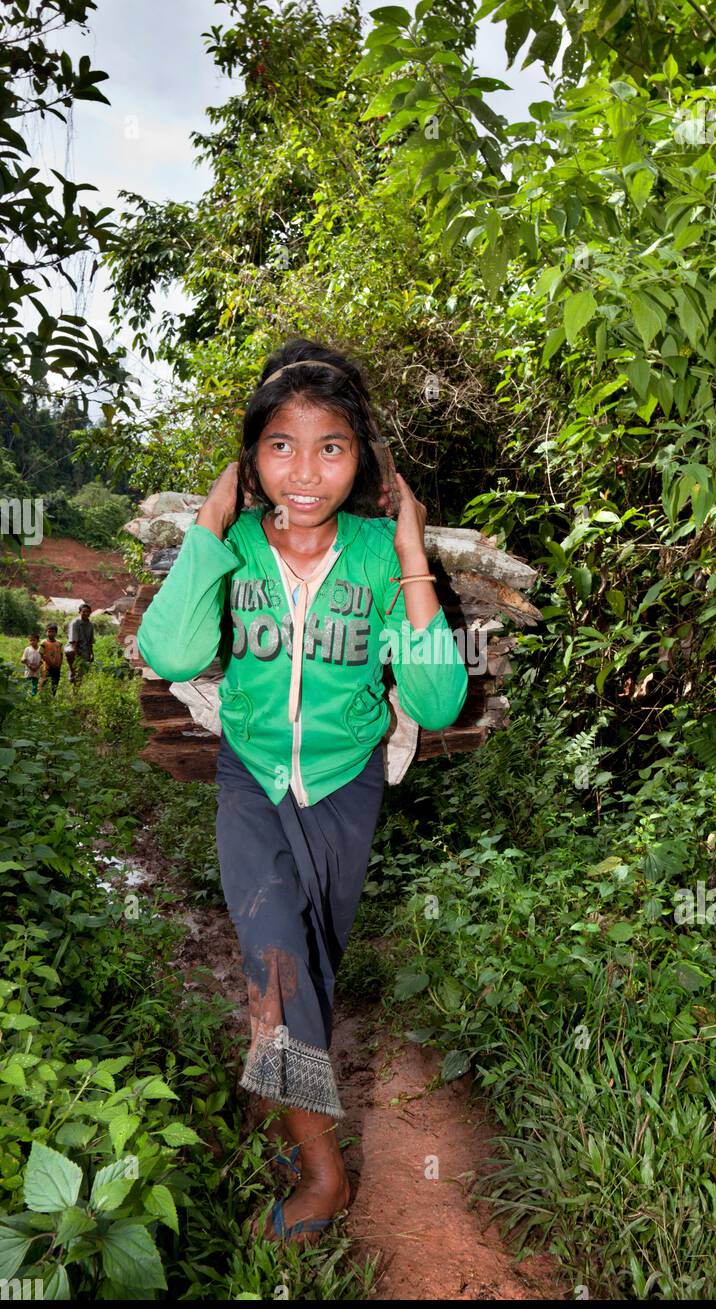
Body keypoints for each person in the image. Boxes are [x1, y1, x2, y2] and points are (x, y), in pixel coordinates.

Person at [136, 340, 469, 1248]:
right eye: (280, 445)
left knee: (312, 958)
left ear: (361, 459)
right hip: (250, 775)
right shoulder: (236, 547)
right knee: (277, 960)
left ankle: (290, 1109)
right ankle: (327, 1172)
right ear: (251, 457)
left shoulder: (373, 555)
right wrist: (212, 514)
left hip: (344, 783)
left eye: (331, 446)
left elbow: (440, 698)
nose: (305, 470)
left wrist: (409, 551)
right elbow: (167, 654)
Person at [65, 603, 95, 685]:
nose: (86, 613)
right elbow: (73, 641)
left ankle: (76, 690)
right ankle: (72, 672)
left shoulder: (90, 625)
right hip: (73, 649)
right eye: (84, 612)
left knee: (81, 674)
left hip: (84, 650)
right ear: (80, 612)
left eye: (88, 612)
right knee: (74, 668)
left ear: (90, 613)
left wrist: (91, 653)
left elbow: (90, 642)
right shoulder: (75, 623)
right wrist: (76, 656)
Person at [39, 623, 64, 695]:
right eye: (49, 631)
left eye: (53, 631)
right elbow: (40, 654)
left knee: (55, 681)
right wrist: (46, 661)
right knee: (44, 680)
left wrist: (59, 664)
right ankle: (41, 694)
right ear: (46, 632)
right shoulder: (44, 643)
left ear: (56, 633)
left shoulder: (59, 643)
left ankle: (53, 695)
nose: (51, 633)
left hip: (57, 667)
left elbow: (61, 654)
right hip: (46, 666)